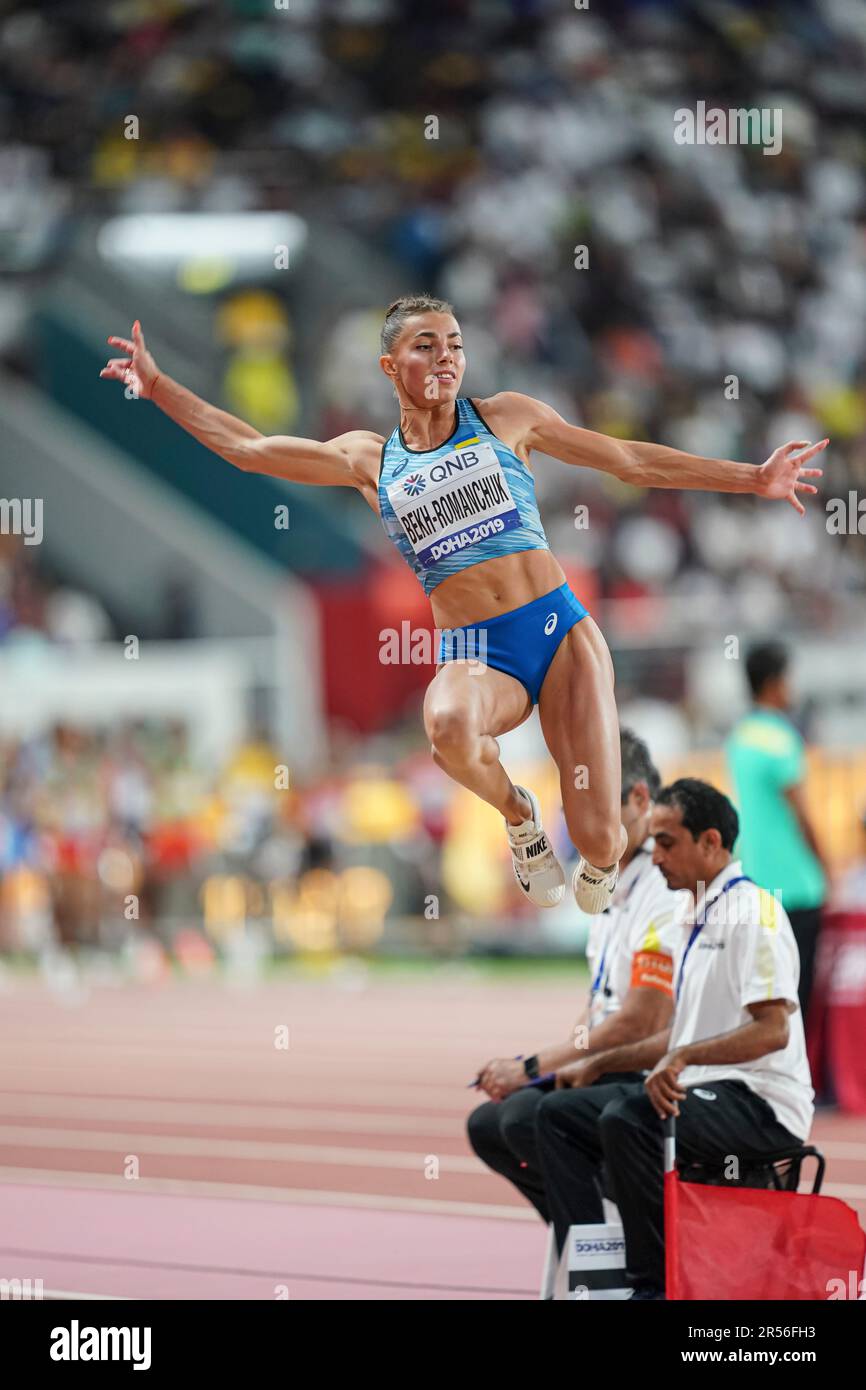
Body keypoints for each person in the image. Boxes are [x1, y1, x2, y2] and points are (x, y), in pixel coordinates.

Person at [100, 298, 827, 915]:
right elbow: (249, 448)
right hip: (480, 654)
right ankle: (518, 816)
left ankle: (597, 853)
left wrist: (752, 478)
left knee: (602, 845)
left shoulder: (508, 418)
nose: (446, 358)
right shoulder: (369, 460)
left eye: (455, 345)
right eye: (426, 346)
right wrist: (159, 386)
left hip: (560, 633)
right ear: (390, 368)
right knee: (445, 723)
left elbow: (629, 461)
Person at [535, 778, 814, 1299]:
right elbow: (678, 1033)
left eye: (667, 843)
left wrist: (684, 1056)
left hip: (762, 1103)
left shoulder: (753, 912)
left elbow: (772, 1031)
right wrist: (599, 1063)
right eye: (655, 843)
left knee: (629, 1119)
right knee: (558, 1114)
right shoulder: (693, 914)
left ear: (710, 842)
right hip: (707, 1088)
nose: (656, 856)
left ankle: (655, 1284)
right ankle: (596, 1278)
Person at [466, 729, 683, 1222]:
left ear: (638, 798)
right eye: (570, 811)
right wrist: (562, 1060)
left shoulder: (663, 885)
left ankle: (613, 1239)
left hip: (646, 1065)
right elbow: (600, 998)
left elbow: (640, 1019)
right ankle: (589, 1236)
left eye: (590, 808)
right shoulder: (606, 879)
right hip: (606, 1059)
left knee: (528, 1116)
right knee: (488, 1125)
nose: (578, 826)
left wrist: (534, 1066)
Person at [726, 641, 829, 1023]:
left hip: (758, 886)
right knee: (799, 1000)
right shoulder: (783, 739)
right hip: (798, 888)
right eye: (788, 679)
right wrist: (826, 869)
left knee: (765, 997)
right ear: (773, 683)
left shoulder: (739, 737)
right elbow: (803, 816)